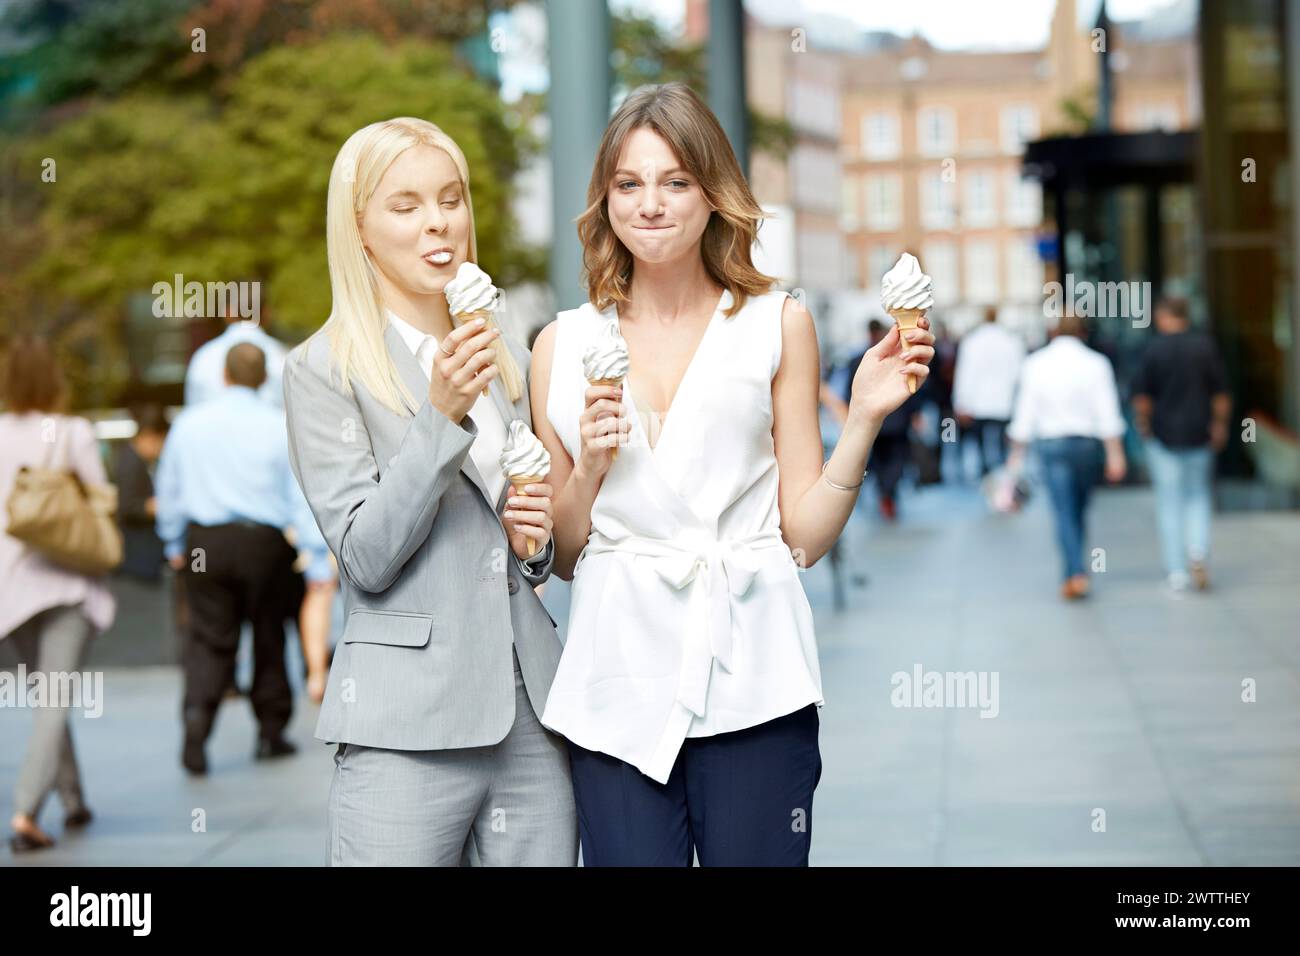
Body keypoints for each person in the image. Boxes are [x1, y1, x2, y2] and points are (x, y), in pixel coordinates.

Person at [531, 83, 934, 865]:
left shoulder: (776, 323)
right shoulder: (562, 346)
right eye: (629, 184)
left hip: (755, 670)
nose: (651, 204)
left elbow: (805, 535)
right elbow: (568, 555)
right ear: (605, 199)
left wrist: (862, 419)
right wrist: (591, 466)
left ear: (714, 193)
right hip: (617, 681)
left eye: (676, 181)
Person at [283, 117, 575, 866]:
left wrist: (533, 543)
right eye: (405, 204)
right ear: (361, 228)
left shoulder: (504, 350)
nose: (438, 221)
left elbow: (517, 547)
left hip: (528, 717)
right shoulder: (322, 370)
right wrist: (439, 414)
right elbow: (365, 556)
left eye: (450, 198)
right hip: (402, 727)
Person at [155, 342, 333, 774]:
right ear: (263, 379)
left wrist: (175, 546)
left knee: (209, 638)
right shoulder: (279, 425)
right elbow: (300, 497)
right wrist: (315, 558)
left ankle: (197, 725)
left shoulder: (189, 425)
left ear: (225, 377)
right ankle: (271, 733)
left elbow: (169, 490)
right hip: (265, 545)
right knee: (270, 634)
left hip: (205, 545)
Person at [0, 336, 115, 852]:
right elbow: (100, 493)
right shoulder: (70, 431)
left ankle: (72, 799)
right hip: (65, 580)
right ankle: (26, 812)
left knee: (47, 696)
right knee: (55, 697)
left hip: (11, 585)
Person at [1006, 315, 1127, 599]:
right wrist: (1115, 454)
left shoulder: (1035, 364)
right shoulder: (1096, 363)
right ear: (1083, 331)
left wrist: (1016, 456)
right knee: (1078, 509)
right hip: (1086, 446)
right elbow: (1107, 412)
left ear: (1053, 330)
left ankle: (1074, 572)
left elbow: (1025, 413)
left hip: (1052, 445)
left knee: (1063, 510)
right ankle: (1075, 570)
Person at [1132, 296, 1231, 593]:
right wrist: (1219, 425)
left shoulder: (1152, 349)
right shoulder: (1205, 346)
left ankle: (1176, 570)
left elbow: (1142, 398)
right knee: (1198, 496)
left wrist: (1143, 426)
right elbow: (1221, 393)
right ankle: (1198, 552)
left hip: (1163, 437)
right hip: (1199, 433)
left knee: (1169, 501)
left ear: (1163, 316)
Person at [952, 305, 1026, 478]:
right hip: (1004, 400)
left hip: (978, 402)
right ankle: (1001, 472)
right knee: (1002, 441)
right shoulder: (1011, 340)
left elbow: (966, 373)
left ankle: (985, 472)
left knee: (979, 441)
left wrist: (961, 401)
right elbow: (1018, 373)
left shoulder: (972, 341)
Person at [185, 306, 287, 408]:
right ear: (266, 313)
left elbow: (192, 408)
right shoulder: (282, 356)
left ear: (227, 312)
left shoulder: (203, 357)